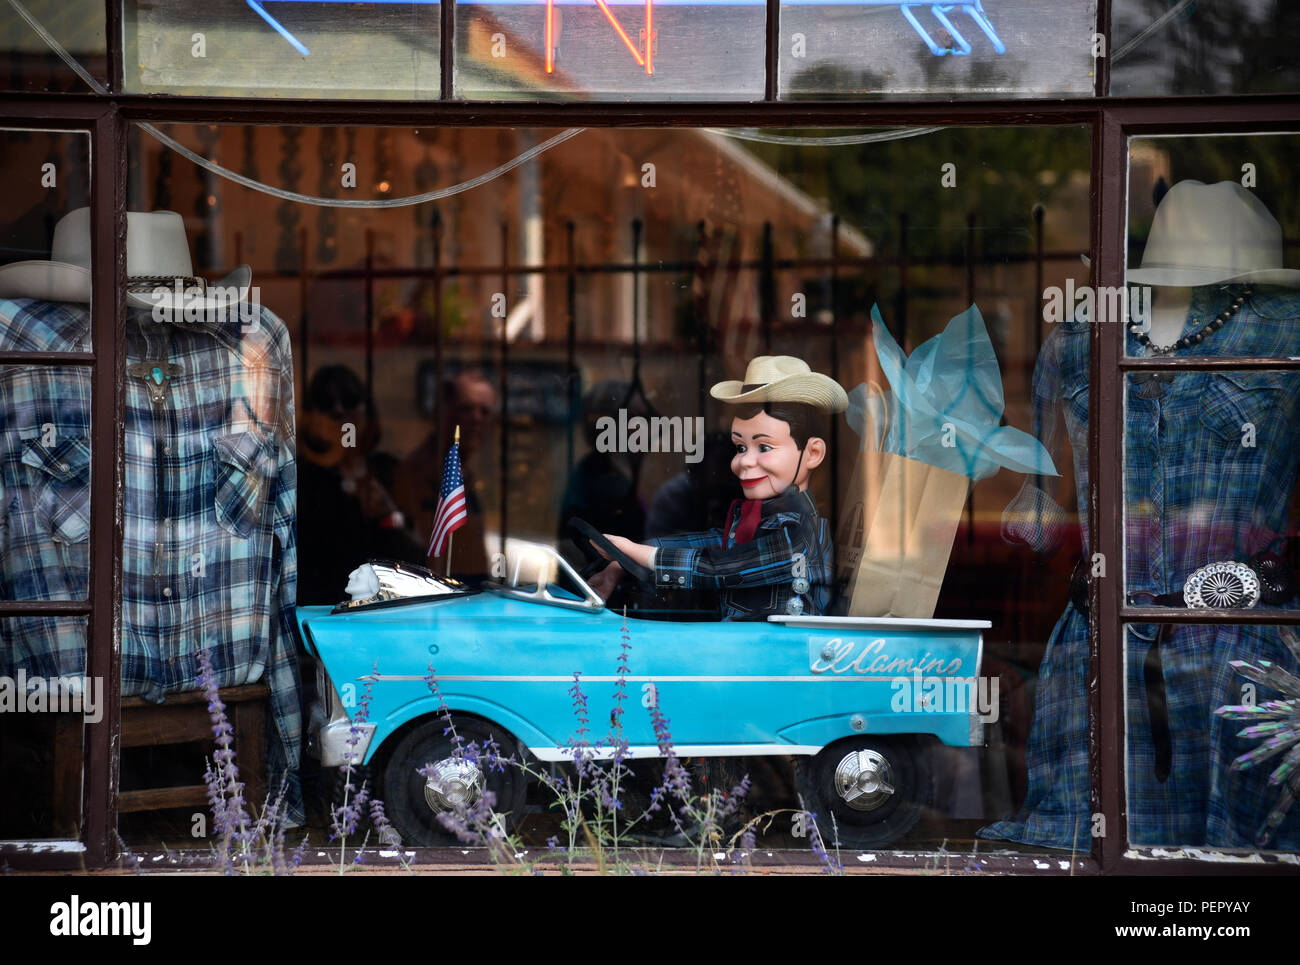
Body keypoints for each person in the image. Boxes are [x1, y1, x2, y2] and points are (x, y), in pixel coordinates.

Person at [591, 356, 846, 620]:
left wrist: (636, 553)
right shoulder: (764, 519)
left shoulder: (795, 533)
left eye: (765, 448)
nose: (743, 462)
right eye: (740, 447)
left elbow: (719, 568)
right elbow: (716, 544)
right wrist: (628, 555)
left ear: (813, 453)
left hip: (777, 656)